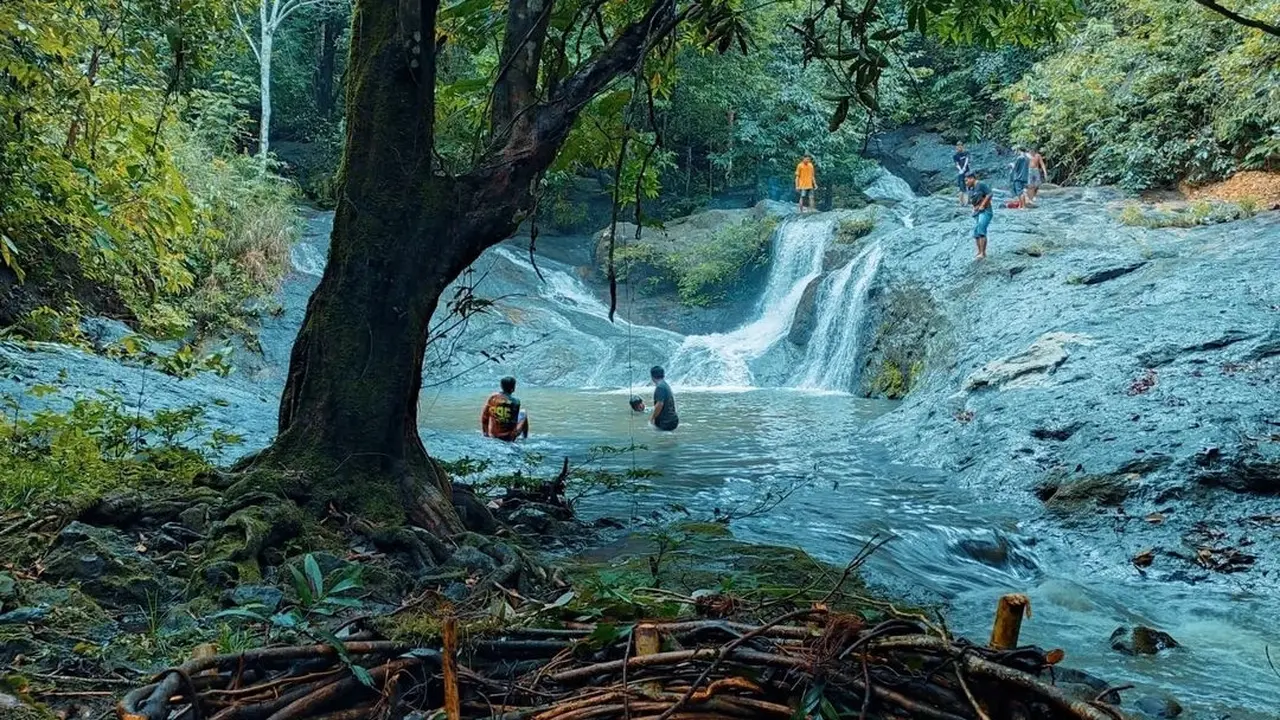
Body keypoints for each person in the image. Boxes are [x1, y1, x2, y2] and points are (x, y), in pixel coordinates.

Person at [480, 376, 528, 441]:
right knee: (523, 413)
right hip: (508, 436)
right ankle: (525, 438)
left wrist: (486, 434)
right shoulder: (516, 401)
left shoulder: (493, 397)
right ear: (513, 388)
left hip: (493, 434)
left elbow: (484, 418)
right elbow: (513, 421)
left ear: (501, 386)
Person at [965, 173, 993, 260]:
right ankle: (979, 251)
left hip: (985, 211)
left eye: (967, 180)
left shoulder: (981, 185)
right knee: (976, 232)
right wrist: (974, 207)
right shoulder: (971, 188)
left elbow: (989, 194)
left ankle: (983, 253)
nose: (966, 182)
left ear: (972, 178)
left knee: (981, 229)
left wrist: (983, 205)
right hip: (977, 212)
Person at [649, 366, 679, 431]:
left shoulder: (660, 387)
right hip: (672, 420)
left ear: (652, 377)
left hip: (665, 422)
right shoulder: (665, 384)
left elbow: (660, 404)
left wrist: (652, 418)